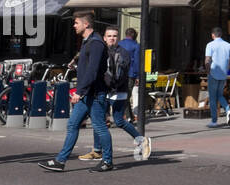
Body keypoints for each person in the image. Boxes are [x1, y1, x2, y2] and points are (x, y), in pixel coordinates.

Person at [39, 11, 114, 173]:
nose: (74, 26)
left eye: (76, 23)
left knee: (100, 127)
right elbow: (87, 65)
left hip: (94, 93)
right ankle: (60, 161)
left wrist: (79, 91)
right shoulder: (88, 41)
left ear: (86, 24)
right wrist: (77, 64)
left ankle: (107, 161)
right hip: (87, 93)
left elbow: (93, 71)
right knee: (73, 124)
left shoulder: (95, 43)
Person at [81, 27, 151, 162]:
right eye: (109, 36)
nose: (112, 38)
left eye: (114, 36)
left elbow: (119, 74)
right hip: (104, 91)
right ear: (104, 38)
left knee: (119, 121)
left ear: (118, 38)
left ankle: (142, 140)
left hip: (118, 91)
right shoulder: (102, 51)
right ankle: (97, 150)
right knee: (98, 119)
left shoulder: (122, 52)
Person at [204, 27, 230, 127]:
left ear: (213, 35)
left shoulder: (210, 45)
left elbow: (207, 60)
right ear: (221, 34)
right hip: (223, 74)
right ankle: (228, 110)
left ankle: (214, 121)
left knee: (213, 98)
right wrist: (226, 70)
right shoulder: (228, 45)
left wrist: (208, 71)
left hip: (213, 74)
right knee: (220, 95)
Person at [120, 27, 142, 117]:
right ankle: (128, 116)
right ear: (133, 35)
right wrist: (138, 76)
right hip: (130, 73)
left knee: (124, 94)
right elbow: (137, 61)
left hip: (120, 73)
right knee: (126, 95)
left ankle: (129, 116)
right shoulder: (136, 46)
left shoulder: (119, 43)